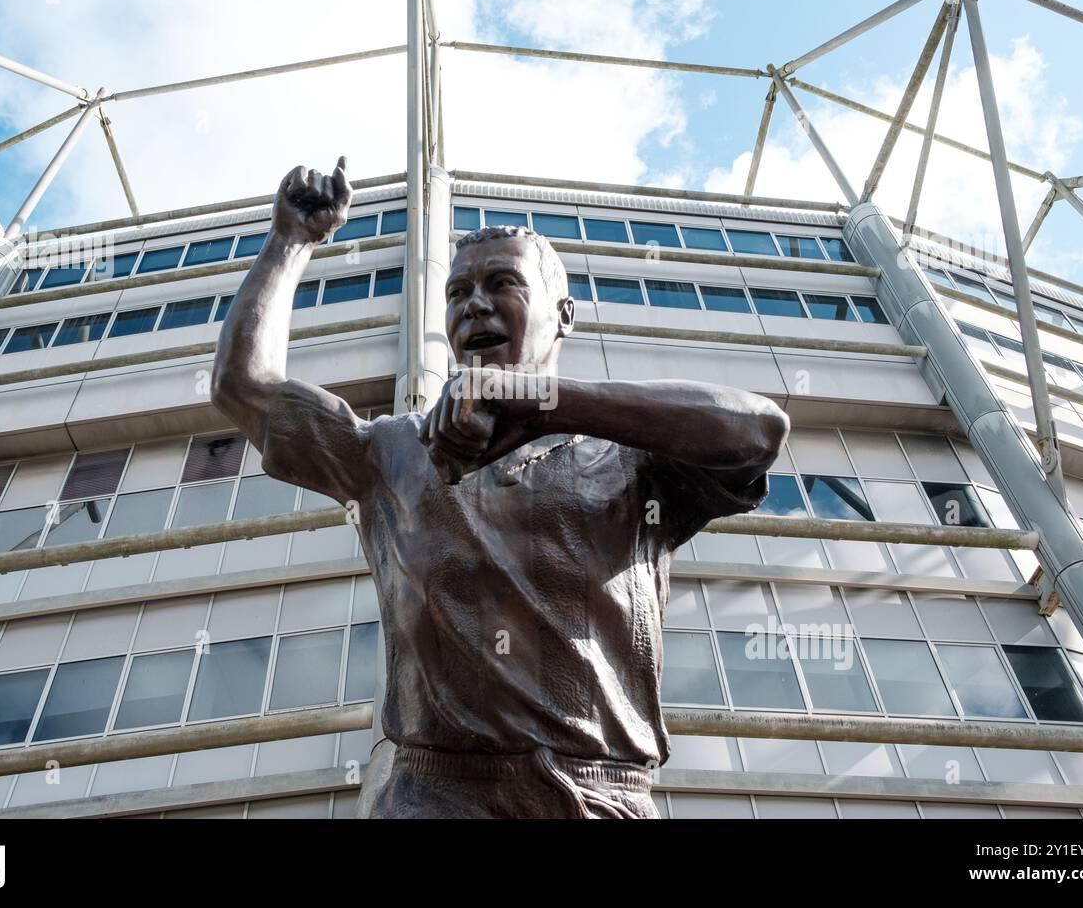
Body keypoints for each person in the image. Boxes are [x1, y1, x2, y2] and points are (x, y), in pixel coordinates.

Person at [212, 157, 790, 818]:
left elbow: (759, 429)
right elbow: (243, 388)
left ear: (563, 314)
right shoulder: (390, 452)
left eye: (501, 283)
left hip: (603, 796)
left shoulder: (632, 462)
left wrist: (541, 402)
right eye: (457, 293)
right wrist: (289, 241)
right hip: (437, 795)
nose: (474, 304)